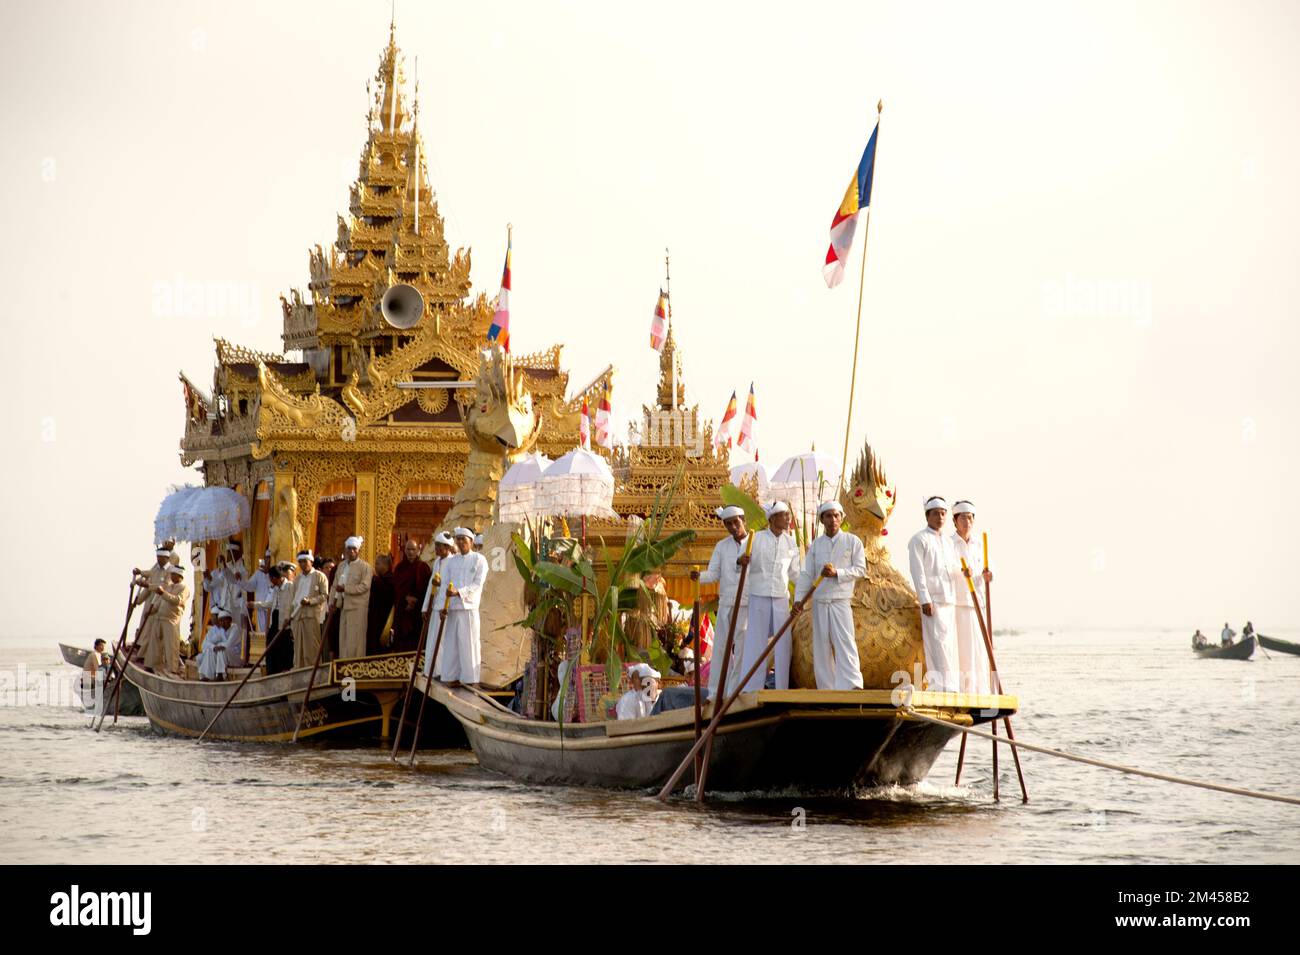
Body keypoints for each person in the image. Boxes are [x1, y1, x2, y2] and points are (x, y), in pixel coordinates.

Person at [794, 500, 867, 689]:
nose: (833, 519)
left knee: (845, 640)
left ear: (842, 518)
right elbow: (806, 575)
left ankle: (852, 684)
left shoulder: (853, 541)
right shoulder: (816, 546)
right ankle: (826, 687)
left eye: (836, 515)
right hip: (819, 600)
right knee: (821, 644)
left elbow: (860, 569)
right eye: (828, 516)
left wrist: (838, 574)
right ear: (822, 520)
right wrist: (798, 600)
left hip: (841, 599)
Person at [739, 500, 802, 691]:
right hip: (759, 595)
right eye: (784, 515)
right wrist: (742, 560)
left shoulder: (791, 542)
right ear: (773, 518)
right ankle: (751, 688)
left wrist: (804, 593)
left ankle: (782, 688)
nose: (788, 518)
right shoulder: (755, 538)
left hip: (781, 597)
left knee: (783, 643)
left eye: (788, 515)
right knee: (755, 642)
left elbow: (796, 573)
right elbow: (741, 561)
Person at [692, 505, 750, 698]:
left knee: (742, 650)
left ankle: (736, 691)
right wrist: (698, 576)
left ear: (743, 520)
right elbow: (714, 574)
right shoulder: (721, 546)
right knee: (721, 650)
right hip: (726, 602)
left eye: (736, 522)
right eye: (728, 524)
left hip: (746, 603)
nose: (733, 527)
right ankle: (717, 693)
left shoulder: (756, 542)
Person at [907, 496, 961, 692]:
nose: (940, 517)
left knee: (948, 643)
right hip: (933, 599)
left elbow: (952, 567)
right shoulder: (918, 540)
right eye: (936, 513)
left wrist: (965, 572)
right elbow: (917, 571)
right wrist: (924, 599)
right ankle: (939, 685)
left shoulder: (948, 541)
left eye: (943, 513)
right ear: (927, 515)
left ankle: (951, 684)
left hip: (949, 597)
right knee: (936, 642)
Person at [430, 527, 489, 686]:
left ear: (471, 541)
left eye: (464, 539)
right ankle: (451, 677)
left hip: (468, 608)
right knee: (451, 644)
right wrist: (443, 607)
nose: (461, 542)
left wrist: (459, 592)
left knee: (469, 643)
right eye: (459, 539)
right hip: (452, 608)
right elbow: (444, 587)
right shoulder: (452, 561)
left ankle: (470, 679)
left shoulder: (479, 559)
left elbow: (477, 584)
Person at [949, 500, 993, 694]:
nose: (967, 522)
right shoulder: (949, 543)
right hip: (959, 602)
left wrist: (989, 575)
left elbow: (989, 567)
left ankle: (980, 688)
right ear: (955, 521)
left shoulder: (979, 543)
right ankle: (963, 688)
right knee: (962, 649)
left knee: (979, 647)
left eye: (970, 518)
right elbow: (947, 567)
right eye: (963, 518)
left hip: (978, 603)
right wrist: (961, 572)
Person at [140, 564, 190, 675]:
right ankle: (152, 665)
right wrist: (151, 611)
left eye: (174, 575)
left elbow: (177, 600)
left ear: (179, 576)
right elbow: (160, 602)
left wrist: (163, 593)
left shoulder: (183, 588)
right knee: (155, 644)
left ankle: (172, 669)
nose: (172, 576)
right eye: (171, 574)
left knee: (171, 646)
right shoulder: (169, 586)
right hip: (159, 618)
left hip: (171, 620)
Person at [332, 536, 373, 659]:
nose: (351, 551)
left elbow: (365, 586)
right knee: (344, 638)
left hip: (357, 608)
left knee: (356, 640)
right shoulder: (341, 566)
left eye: (354, 549)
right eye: (349, 548)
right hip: (343, 606)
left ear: (358, 550)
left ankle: (355, 667)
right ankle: (344, 666)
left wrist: (346, 589)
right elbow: (335, 585)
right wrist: (331, 603)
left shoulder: (365, 567)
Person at [290, 549, 330, 669]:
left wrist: (310, 601)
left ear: (311, 561)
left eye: (305, 561)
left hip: (311, 616)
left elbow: (324, 595)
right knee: (298, 648)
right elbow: (293, 598)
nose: (302, 564)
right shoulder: (297, 579)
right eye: (300, 562)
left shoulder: (319, 576)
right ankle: (299, 671)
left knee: (312, 647)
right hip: (298, 616)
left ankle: (313, 672)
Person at [391, 539, 432, 653]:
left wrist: (414, 601)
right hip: (402, 610)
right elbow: (395, 587)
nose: (410, 552)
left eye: (413, 549)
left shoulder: (423, 567)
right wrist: (405, 598)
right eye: (408, 549)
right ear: (404, 550)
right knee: (401, 642)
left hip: (417, 612)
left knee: (416, 641)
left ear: (418, 550)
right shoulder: (399, 568)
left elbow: (426, 589)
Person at [366, 554, 396, 655]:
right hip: (374, 617)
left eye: (378, 564)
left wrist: (375, 579)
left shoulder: (390, 580)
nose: (375, 566)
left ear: (386, 566)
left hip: (384, 619)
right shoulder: (378, 579)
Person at [195, 607, 230, 681]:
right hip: (212, 650)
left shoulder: (223, 629)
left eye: (213, 616)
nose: (212, 618)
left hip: (220, 653)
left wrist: (215, 646)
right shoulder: (212, 629)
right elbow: (204, 644)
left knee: (209, 652)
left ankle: (208, 676)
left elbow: (226, 642)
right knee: (201, 656)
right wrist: (213, 646)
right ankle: (204, 675)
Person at [246, 554, 274, 635]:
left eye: (269, 558)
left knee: (271, 633)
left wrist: (268, 573)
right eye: (266, 558)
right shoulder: (259, 573)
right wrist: (240, 581)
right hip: (260, 608)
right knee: (262, 634)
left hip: (271, 608)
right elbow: (249, 586)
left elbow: (273, 586)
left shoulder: (274, 573)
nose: (267, 560)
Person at [80, 639, 108, 707]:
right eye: (101, 645)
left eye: (104, 646)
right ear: (96, 646)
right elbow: (98, 670)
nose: (103, 647)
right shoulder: (95, 655)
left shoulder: (96, 654)